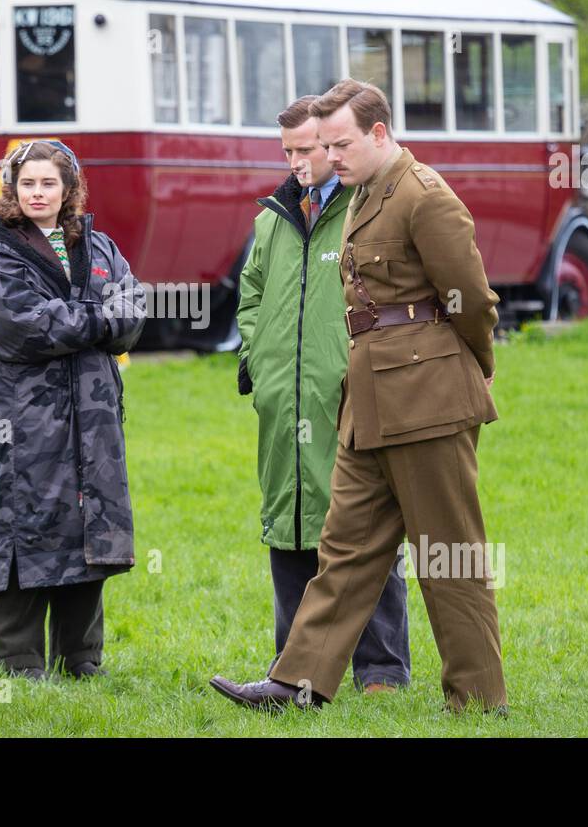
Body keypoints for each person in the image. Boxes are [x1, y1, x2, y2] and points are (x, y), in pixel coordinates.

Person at [211, 79, 507, 714]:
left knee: (447, 554)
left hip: (427, 400)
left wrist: (477, 366)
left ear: (378, 132)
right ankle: (296, 683)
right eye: (324, 145)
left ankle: (479, 699)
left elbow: (472, 300)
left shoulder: (425, 196)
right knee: (343, 550)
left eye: (340, 143)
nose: (331, 156)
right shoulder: (365, 192)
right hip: (367, 401)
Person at [236, 95, 411, 696]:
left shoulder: (367, 209)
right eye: (287, 152)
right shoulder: (271, 218)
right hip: (283, 404)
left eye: (309, 150)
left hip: (352, 398)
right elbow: (251, 295)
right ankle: (291, 668)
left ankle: (381, 670)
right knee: (287, 524)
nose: (299, 163)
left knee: (362, 528)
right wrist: (257, 360)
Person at [0, 139, 146, 680]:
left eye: (49, 183)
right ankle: (19, 660)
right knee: (24, 525)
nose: (38, 193)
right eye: (28, 183)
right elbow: (21, 325)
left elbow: (133, 310)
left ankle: (82, 658)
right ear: (12, 189)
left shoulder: (99, 244)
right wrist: (97, 319)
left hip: (91, 419)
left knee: (84, 524)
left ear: (68, 189)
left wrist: (89, 320)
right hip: (21, 420)